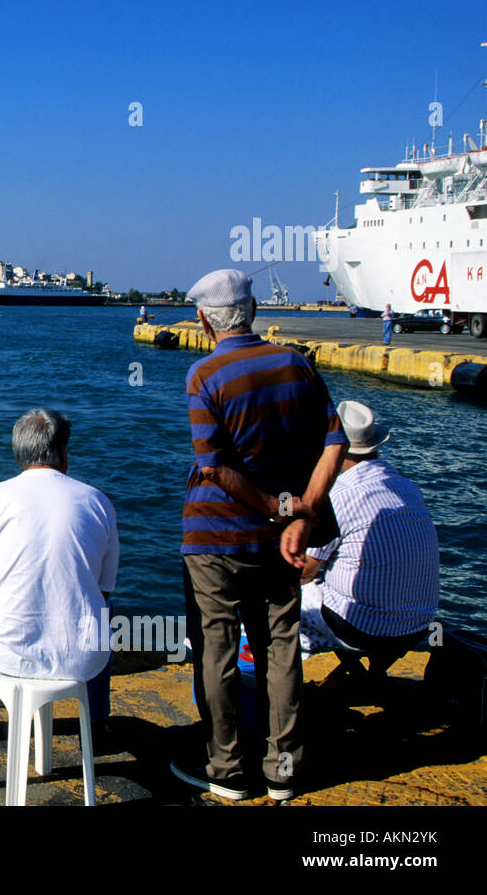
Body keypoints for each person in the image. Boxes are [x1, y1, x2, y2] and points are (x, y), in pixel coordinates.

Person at [171, 268, 348, 802]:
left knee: (217, 648)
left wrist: (273, 506)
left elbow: (215, 466)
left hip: (215, 537)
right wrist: (302, 514)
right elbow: (334, 443)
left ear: (205, 320)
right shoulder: (295, 362)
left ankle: (226, 769)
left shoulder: (205, 375)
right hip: (280, 542)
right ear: (251, 312)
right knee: (280, 645)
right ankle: (284, 770)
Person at [0, 409, 118, 747]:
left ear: (19, 454)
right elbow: (102, 592)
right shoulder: (97, 501)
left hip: (5, 653)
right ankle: (98, 725)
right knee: (104, 612)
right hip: (83, 658)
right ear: (61, 452)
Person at [299, 401, 439, 677]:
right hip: (418, 627)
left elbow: (304, 571)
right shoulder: (406, 486)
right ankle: (368, 674)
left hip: (364, 630)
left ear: (333, 448)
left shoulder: (338, 495)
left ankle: (276, 689)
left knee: (284, 591)